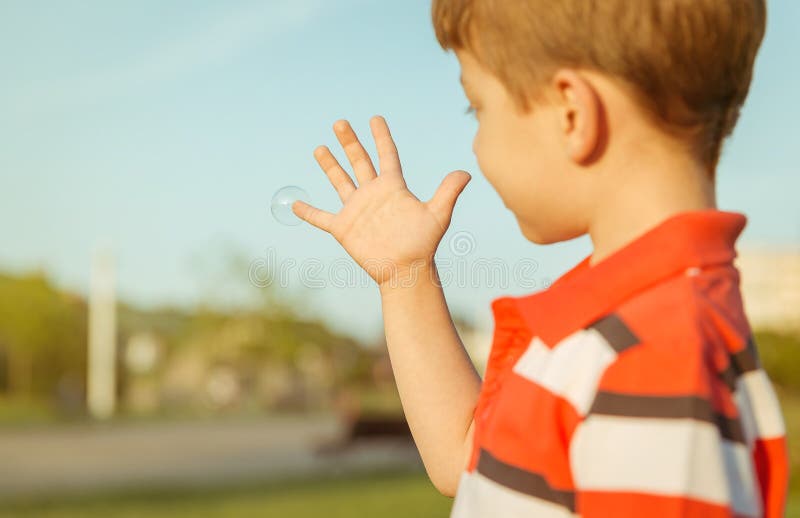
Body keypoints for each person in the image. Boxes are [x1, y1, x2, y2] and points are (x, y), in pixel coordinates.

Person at [292, 0, 788, 515]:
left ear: (571, 113)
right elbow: (466, 459)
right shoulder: (622, 324)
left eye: (478, 107)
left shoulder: (655, 356)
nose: (477, 144)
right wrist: (405, 277)